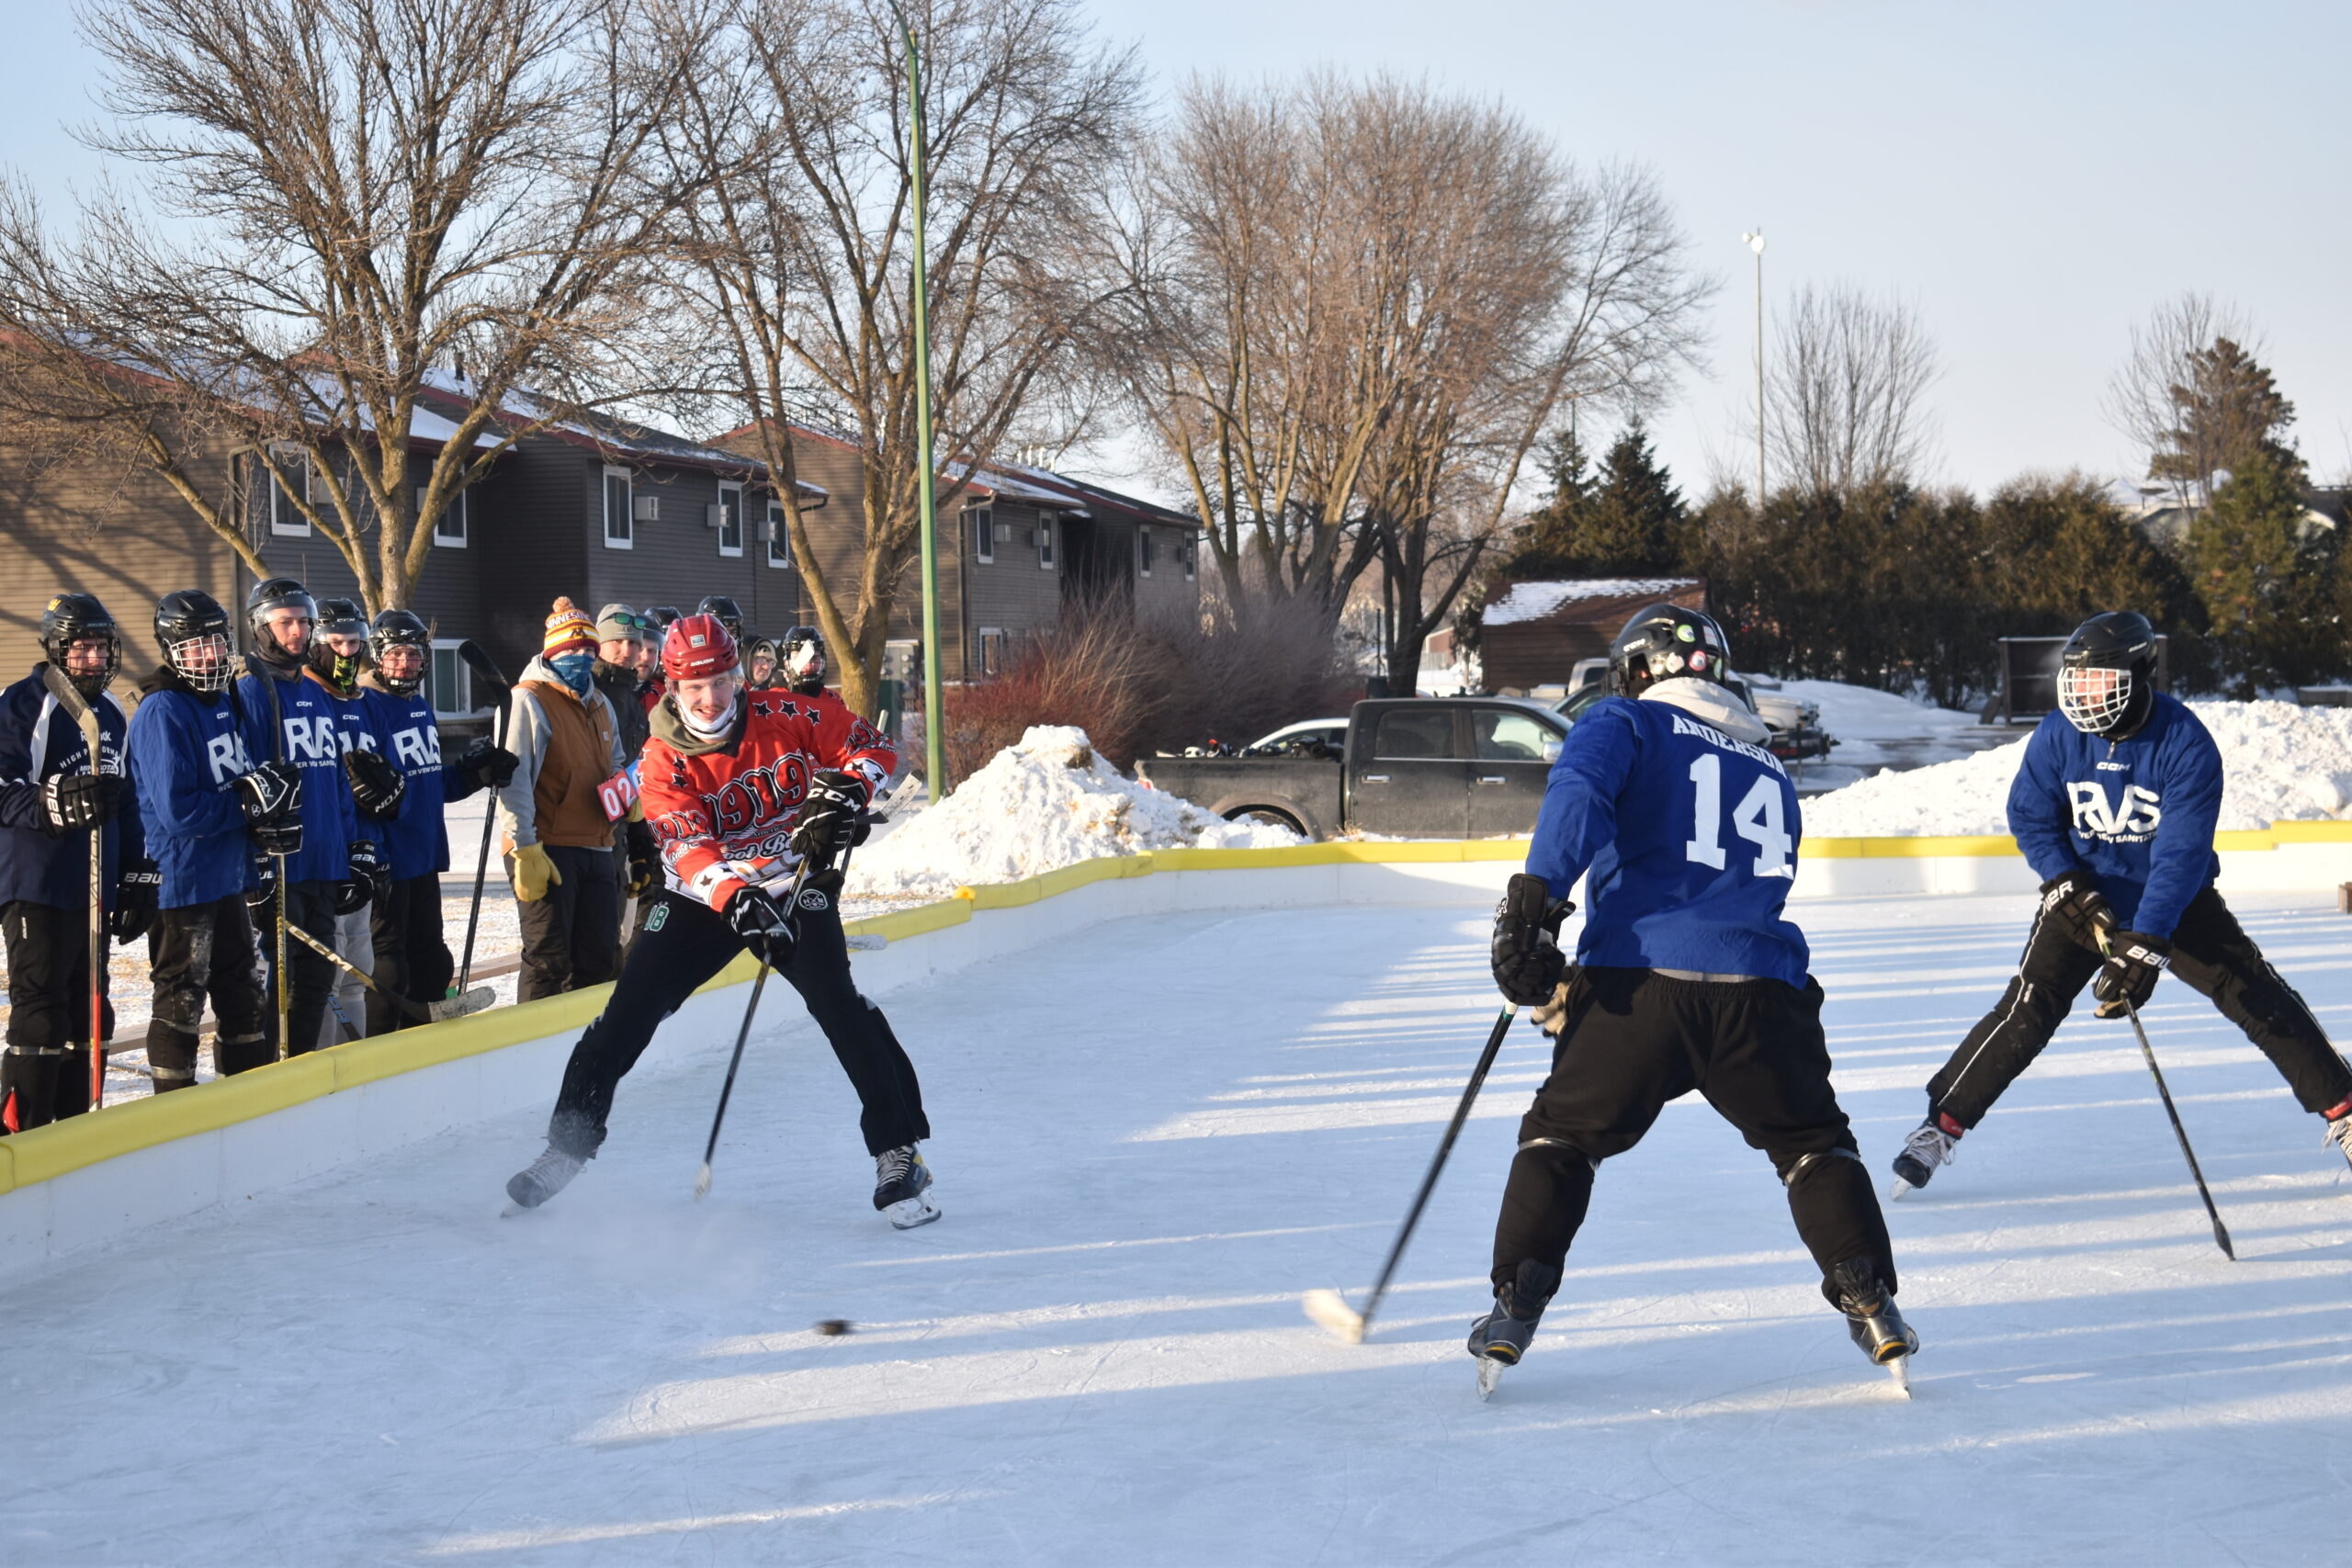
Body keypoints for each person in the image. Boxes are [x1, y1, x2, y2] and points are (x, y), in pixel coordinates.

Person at [1471, 604, 1915, 1394]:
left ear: (1638, 671)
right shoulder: (1769, 761)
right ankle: (1871, 1300)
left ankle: (1515, 1303)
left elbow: (1578, 794)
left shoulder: (1625, 721)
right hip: (1762, 994)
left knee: (1562, 1138)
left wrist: (1534, 908)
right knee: (1814, 1144)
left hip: (1641, 986)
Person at [1892, 611, 2352, 1194]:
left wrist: (2148, 945)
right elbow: (2031, 816)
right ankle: (1940, 1127)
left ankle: (2345, 1111)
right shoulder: (2060, 733)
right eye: (2075, 682)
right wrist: (2062, 882)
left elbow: (2180, 856)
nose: (2083, 695)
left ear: (2138, 675)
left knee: (2255, 994)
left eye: (2098, 681)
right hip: (2083, 898)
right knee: (2027, 1006)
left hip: (2175, 903)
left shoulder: (2185, 741)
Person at [503, 614, 936, 1228]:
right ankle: (566, 1145)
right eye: (695, 685)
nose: (711, 697)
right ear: (673, 687)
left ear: (737, 675)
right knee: (627, 1013)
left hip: (791, 879)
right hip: (701, 898)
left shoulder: (785, 711)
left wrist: (843, 794)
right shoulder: (661, 759)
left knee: (839, 1004)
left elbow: (873, 747)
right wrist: (735, 898)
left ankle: (898, 1151)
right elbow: (684, 846)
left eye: (721, 681)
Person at [0, 593, 146, 1128]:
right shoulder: (22, 704)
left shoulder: (111, 713)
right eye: (81, 647)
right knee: (41, 1015)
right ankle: (23, 1132)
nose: (93, 658)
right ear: (56, 649)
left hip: (92, 892)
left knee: (91, 1012)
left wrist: (135, 871)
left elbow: (123, 800)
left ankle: (76, 1125)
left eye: (101, 647)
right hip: (36, 885)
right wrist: (48, 803)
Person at [126, 592, 281, 1089]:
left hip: (226, 874)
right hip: (183, 879)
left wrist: (261, 819)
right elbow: (179, 810)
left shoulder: (223, 700)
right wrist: (245, 807)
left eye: (216, 644)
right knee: (182, 994)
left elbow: (238, 779)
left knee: (242, 990)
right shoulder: (163, 708)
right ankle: (175, 1103)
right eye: (195, 648)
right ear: (172, 652)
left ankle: (243, 1093)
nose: (210, 656)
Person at [235, 577, 377, 1056]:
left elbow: (336, 782)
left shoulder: (317, 695)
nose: (296, 631)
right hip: (281, 869)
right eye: (285, 622)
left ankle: (303, 1072)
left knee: (320, 977)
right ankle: (265, 1082)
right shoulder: (251, 692)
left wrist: (352, 849)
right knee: (276, 986)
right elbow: (245, 786)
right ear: (261, 627)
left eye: (303, 622)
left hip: (323, 863)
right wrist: (254, 864)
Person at [357, 610, 516, 1032]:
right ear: (377, 656)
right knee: (389, 964)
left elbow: (429, 785)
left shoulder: (420, 706)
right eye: (395, 655)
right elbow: (365, 791)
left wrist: (473, 772)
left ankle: (425, 1040)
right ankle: (378, 1046)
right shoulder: (365, 706)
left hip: (425, 854)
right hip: (387, 862)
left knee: (432, 959)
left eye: (413, 655)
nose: (405, 664)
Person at [497, 598, 630, 1000]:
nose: (581, 658)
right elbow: (514, 779)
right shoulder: (529, 698)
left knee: (599, 959)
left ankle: (586, 1043)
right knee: (549, 960)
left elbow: (617, 760)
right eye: (571, 651)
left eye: (589, 651)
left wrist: (627, 796)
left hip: (597, 845)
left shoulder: (600, 701)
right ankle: (534, 1048)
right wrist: (524, 847)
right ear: (552, 653)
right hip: (547, 848)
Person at [309, 596, 395, 1045]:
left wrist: (386, 804)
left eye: (355, 643)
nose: (346, 652)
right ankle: (325, 1070)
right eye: (336, 642)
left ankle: (356, 1065)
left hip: (363, 854)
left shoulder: (364, 702)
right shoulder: (307, 699)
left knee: (357, 973)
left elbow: (384, 781)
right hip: (321, 859)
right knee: (323, 976)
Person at [590, 604, 662, 947]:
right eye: (617, 641)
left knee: (620, 935)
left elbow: (637, 773)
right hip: (588, 829)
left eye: (634, 644)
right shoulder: (589, 691)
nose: (627, 651)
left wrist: (640, 844)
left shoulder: (632, 699)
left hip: (623, 827)